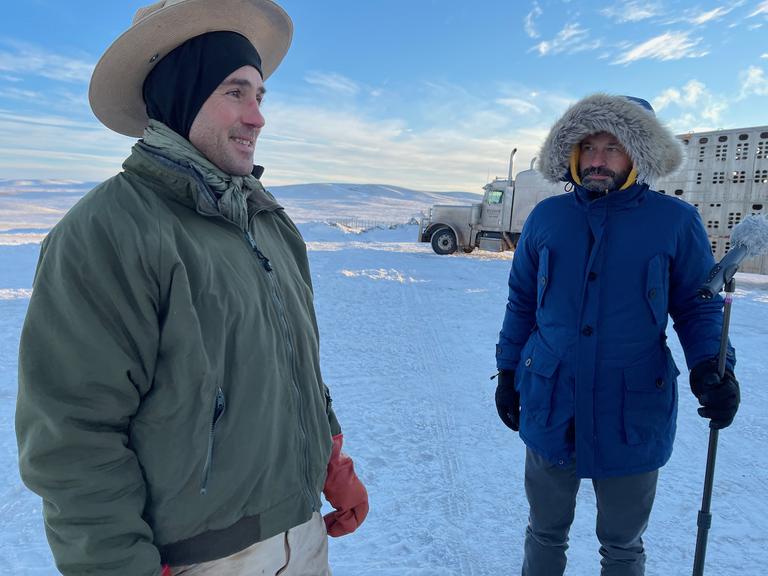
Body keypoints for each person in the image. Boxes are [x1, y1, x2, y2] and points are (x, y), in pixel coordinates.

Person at [15, 1, 368, 575]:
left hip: (302, 538)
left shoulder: (269, 223)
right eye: (235, 92)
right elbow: (73, 439)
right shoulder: (107, 233)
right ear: (180, 96)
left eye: (260, 96)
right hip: (199, 561)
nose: (257, 117)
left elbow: (296, 367)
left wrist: (331, 465)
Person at [493, 93, 740, 576]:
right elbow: (522, 302)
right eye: (588, 147)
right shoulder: (546, 219)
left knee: (623, 545)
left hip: (633, 408)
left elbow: (697, 306)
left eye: (612, 146)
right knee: (544, 532)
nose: (597, 159)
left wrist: (712, 366)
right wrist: (506, 370)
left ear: (638, 154)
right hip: (550, 397)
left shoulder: (675, 221)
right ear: (572, 152)